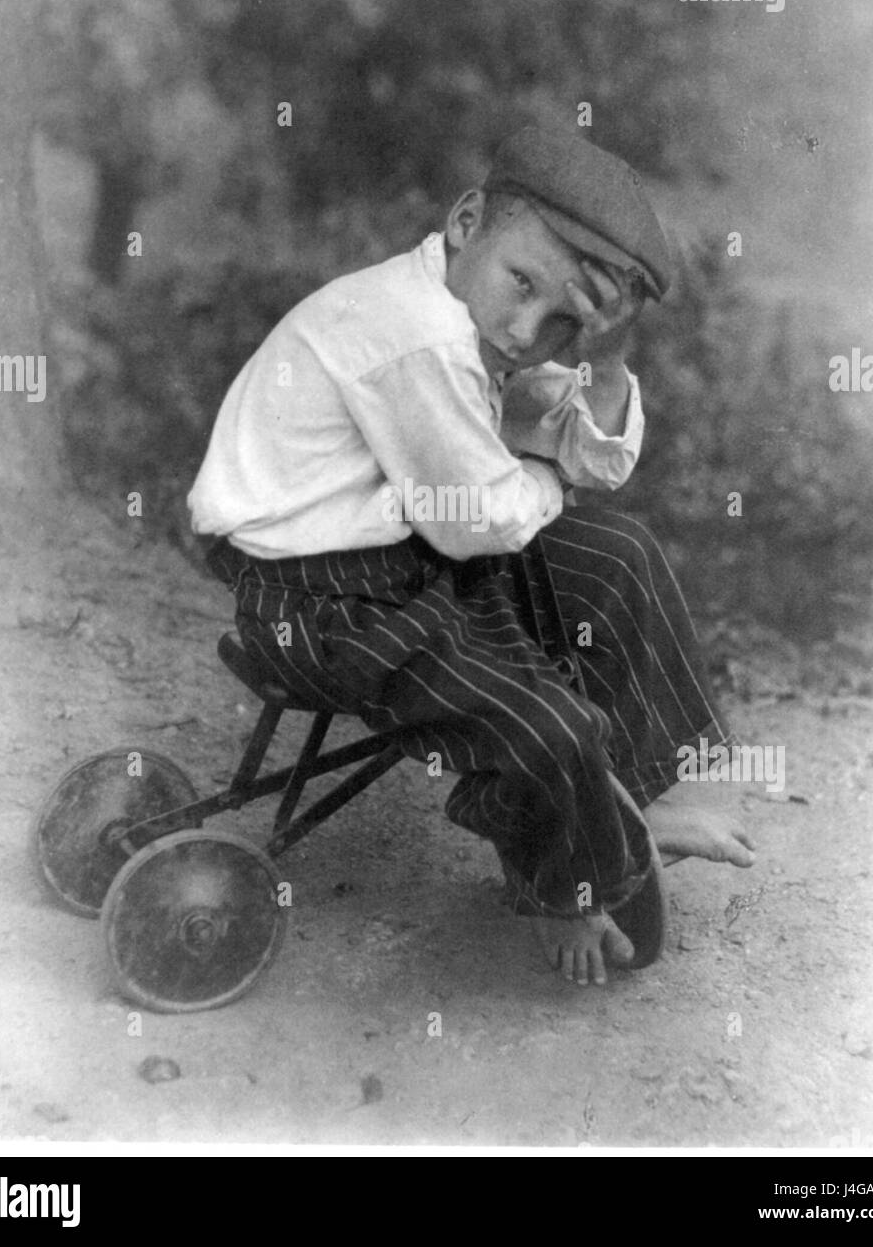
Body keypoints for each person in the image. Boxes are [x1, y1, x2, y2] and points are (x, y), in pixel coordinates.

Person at [190, 123, 755, 989]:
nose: (528, 329)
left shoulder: (463, 311)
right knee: (541, 718)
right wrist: (541, 472)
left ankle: (647, 790)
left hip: (397, 558)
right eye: (522, 283)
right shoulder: (417, 336)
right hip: (314, 605)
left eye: (567, 318)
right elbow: (484, 518)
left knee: (614, 559)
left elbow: (588, 445)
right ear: (465, 222)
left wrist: (603, 356)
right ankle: (568, 887)